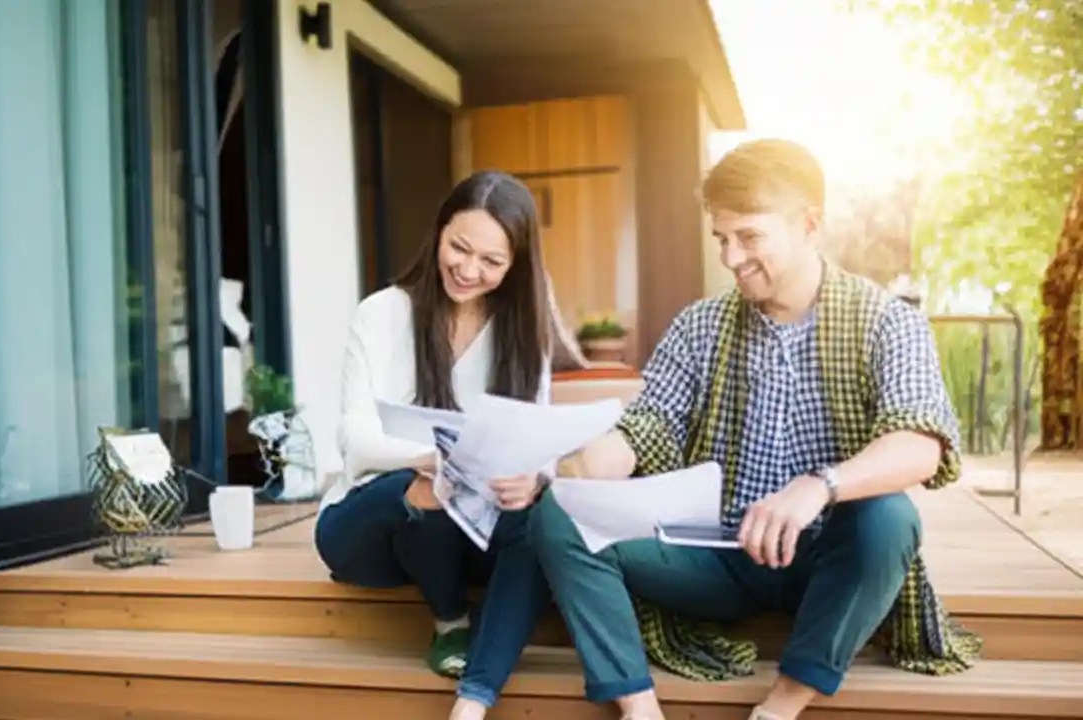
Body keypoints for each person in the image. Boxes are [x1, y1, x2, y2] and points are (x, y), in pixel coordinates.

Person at [530, 139, 981, 720]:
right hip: (715, 555)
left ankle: (782, 705)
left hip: (828, 556)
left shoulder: (887, 322)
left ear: (810, 225)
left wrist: (817, 486)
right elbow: (647, 427)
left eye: (750, 237)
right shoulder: (701, 324)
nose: (731, 257)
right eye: (722, 238)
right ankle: (639, 708)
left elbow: (921, 444)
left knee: (891, 517)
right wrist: (572, 467)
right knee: (562, 511)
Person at [315, 170, 554, 720]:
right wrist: (427, 458)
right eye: (459, 248)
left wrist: (534, 476)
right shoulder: (383, 313)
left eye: (491, 262)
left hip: (473, 531)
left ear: (515, 265)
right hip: (372, 525)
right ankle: (450, 620)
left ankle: (474, 700)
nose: (469, 270)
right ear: (438, 232)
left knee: (544, 524)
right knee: (418, 486)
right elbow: (353, 438)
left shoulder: (523, 330)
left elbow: (536, 441)